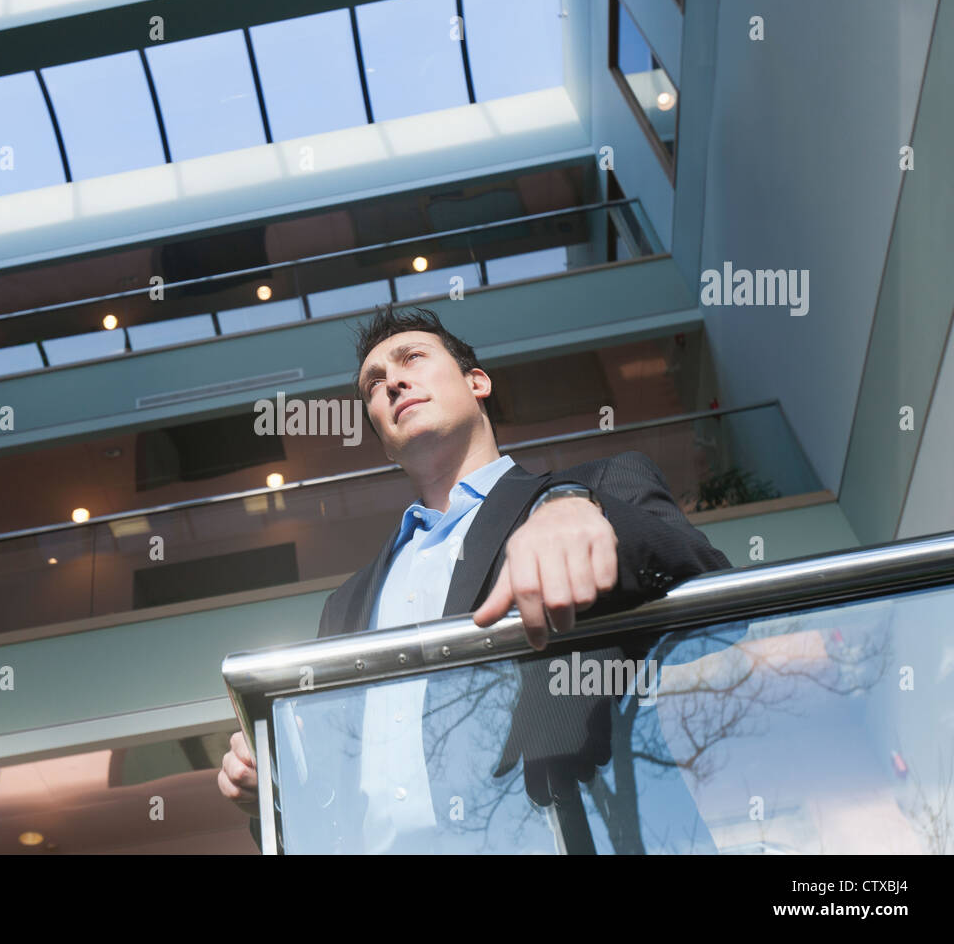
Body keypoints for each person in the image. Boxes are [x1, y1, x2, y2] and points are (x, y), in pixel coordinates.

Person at [217, 304, 731, 850]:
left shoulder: (594, 485)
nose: (392, 381)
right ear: (382, 436)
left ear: (477, 381)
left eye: (412, 357)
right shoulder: (344, 606)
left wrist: (578, 508)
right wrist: (269, 792)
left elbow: (707, 585)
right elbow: (331, 786)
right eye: (374, 384)